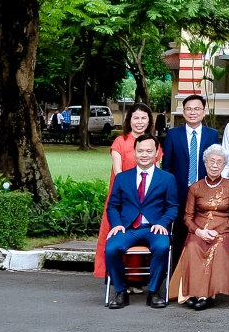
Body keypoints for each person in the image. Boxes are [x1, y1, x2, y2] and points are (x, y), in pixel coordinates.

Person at [103, 134, 179, 309]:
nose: (144, 155)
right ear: (135, 153)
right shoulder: (122, 178)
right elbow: (113, 205)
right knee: (112, 248)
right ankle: (121, 292)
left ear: (156, 154)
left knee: (162, 247)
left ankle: (153, 293)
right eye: (140, 151)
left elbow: (173, 206)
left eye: (149, 151)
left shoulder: (167, 178)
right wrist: (117, 225)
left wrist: (162, 222)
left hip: (154, 228)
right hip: (127, 228)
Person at [170, 144, 229, 309]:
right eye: (211, 161)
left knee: (215, 248)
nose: (215, 165)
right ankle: (190, 292)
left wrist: (216, 231)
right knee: (192, 247)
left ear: (224, 165)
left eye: (219, 162)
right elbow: (187, 217)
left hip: (223, 230)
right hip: (198, 228)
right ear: (205, 163)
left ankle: (206, 294)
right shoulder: (195, 187)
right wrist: (198, 231)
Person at [93, 103, 161, 279]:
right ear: (129, 120)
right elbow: (119, 173)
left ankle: (136, 280)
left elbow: (157, 175)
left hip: (145, 200)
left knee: (140, 235)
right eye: (135, 118)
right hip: (122, 198)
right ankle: (116, 279)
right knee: (120, 236)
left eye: (143, 118)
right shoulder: (120, 142)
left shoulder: (154, 143)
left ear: (149, 121)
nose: (140, 122)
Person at [161, 95, 221, 220]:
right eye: (189, 109)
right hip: (179, 192)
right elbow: (167, 166)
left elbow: (217, 163)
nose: (192, 112)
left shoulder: (212, 135)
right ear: (183, 112)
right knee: (179, 231)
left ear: (203, 112)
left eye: (197, 109)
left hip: (205, 190)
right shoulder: (173, 134)